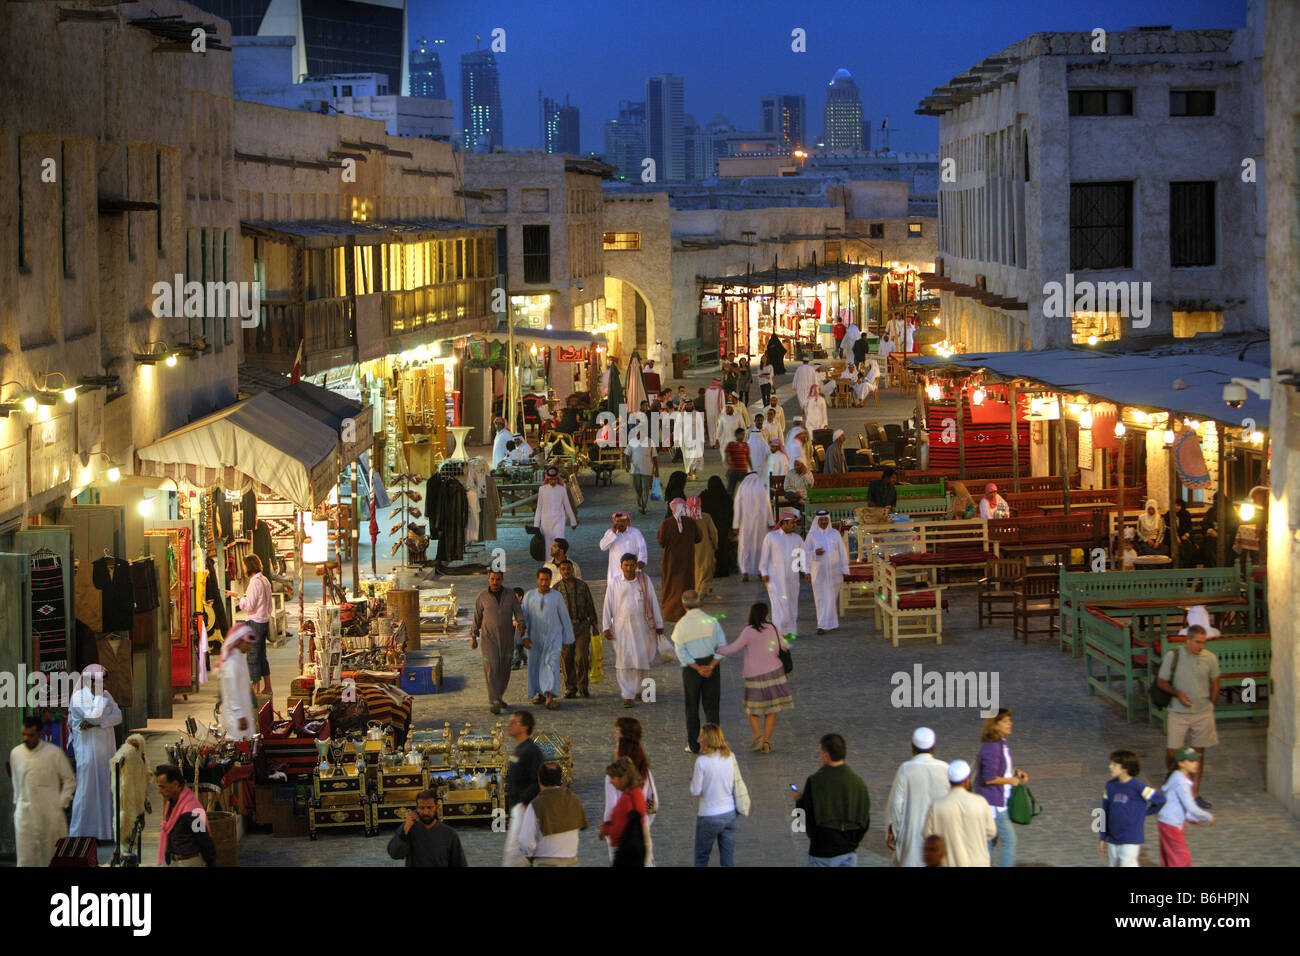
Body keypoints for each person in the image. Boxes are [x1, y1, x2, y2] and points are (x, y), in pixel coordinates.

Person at [715, 602, 794, 753]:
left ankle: (757, 738)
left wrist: (716, 649)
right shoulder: (773, 628)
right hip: (775, 673)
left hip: (755, 676)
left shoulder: (748, 631)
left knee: (752, 710)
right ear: (765, 614)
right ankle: (766, 742)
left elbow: (733, 648)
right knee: (772, 709)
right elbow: (785, 645)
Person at [1156, 624, 1219, 808]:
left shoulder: (1210, 658)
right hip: (1178, 711)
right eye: (1197, 642)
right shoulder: (1173, 657)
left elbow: (1215, 683)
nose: (1201, 646)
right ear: (1188, 640)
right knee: (1172, 751)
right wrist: (1178, 694)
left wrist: (1211, 705)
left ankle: (1194, 793)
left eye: (1203, 642)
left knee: (1198, 753)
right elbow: (1161, 681)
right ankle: (1175, 784)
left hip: (1202, 712)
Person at [793, 733, 872, 867]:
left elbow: (802, 821)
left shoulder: (815, 781)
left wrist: (799, 800)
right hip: (849, 851)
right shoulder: (858, 782)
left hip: (822, 850)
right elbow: (865, 819)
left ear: (826, 755)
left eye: (820, 753)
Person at [11, 715, 76, 866]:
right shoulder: (16, 753)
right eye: (24, 734)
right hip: (25, 816)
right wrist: (18, 803)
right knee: (25, 859)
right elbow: (16, 781)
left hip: (49, 815)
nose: (26, 738)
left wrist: (60, 804)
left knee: (48, 858)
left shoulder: (53, 753)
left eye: (31, 735)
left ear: (39, 733)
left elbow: (69, 780)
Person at [602, 553, 665, 707]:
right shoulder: (615, 583)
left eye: (632, 565)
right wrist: (605, 626)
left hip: (642, 628)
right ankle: (627, 695)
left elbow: (653, 602)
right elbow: (607, 605)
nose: (629, 568)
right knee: (624, 662)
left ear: (636, 565)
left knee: (642, 660)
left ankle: (640, 690)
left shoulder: (644, 580)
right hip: (621, 629)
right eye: (626, 565)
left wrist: (659, 623)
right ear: (621, 566)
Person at [67, 665, 121, 842]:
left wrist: (99, 722)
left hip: (106, 753)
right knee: (86, 793)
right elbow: (94, 716)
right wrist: (101, 719)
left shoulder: (106, 696)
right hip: (87, 755)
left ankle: (105, 834)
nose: (104, 684)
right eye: (101, 681)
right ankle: (81, 834)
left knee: (106, 791)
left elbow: (118, 716)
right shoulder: (78, 697)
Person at [886, 727, 951, 867]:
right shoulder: (945, 768)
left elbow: (897, 805)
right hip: (938, 837)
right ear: (933, 748)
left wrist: (894, 831)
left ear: (912, 747)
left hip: (911, 838)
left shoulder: (906, 768)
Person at [673, 591, 726, 755]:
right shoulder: (712, 622)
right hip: (711, 666)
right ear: (699, 603)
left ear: (683, 605)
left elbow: (681, 652)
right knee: (712, 707)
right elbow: (722, 648)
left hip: (691, 670)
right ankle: (714, 744)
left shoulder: (681, 625)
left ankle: (693, 743)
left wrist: (697, 668)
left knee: (692, 707)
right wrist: (710, 666)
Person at [975, 707, 1028, 867]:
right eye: (1005, 721)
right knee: (1008, 840)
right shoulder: (992, 747)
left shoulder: (999, 743)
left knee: (990, 840)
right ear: (995, 725)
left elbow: (1000, 766)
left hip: (996, 800)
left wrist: (1015, 771)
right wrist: (1010, 781)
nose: (1010, 724)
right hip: (993, 802)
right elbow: (989, 778)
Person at [603, 720, 659, 865]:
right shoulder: (645, 771)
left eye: (617, 748)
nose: (614, 750)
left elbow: (611, 810)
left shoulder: (612, 779)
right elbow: (653, 802)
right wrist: (645, 821)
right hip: (642, 830)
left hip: (622, 836)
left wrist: (607, 829)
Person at [1098, 749, 1166, 867]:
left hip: (1131, 837)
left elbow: (1160, 800)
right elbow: (1104, 811)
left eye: (1114, 764)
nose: (1110, 767)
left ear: (1125, 768)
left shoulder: (1138, 787)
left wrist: (1143, 813)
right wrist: (1102, 837)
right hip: (1113, 837)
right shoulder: (1110, 786)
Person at [923, 759, 996, 867]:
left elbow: (927, 834)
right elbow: (991, 831)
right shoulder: (980, 802)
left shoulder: (937, 806)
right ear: (967, 780)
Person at [472, 570, 526, 714]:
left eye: (497, 579)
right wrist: (473, 636)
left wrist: (521, 624)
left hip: (507, 637)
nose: (495, 582)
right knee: (492, 667)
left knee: (504, 668)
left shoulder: (510, 595)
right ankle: (494, 700)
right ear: (488, 579)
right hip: (488, 638)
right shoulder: (482, 596)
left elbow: (518, 612)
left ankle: (499, 696)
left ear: (502, 580)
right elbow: (477, 617)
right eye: (492, 579)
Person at [522, 567, 576, 710]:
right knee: (536, 665)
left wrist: (567, 640)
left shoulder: (556, 596)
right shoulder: (529, 596)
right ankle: (539, 693)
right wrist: (524, 637)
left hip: (554, 639)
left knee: (552, 665)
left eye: (547, 580)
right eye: (542, 579)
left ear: (550, 580)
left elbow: (564, 618)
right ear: (537, 580)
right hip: (535, 639)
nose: (544, 583)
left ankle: (550, 696)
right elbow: (524, 620)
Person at [690, 724, 743, 867]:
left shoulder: (702, 762)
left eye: (701, 736)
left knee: (701, 858)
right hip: (730, 814)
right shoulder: (730, 757)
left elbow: (695, 790)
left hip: (709, 815)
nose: (699, 739)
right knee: (728, 859)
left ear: (706, 740)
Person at [517, 763, 588, 866]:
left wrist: (532, 859)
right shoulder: (574, 799)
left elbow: (525, 842)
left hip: (546, 862)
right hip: (572, 861)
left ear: (539, 780)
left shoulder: (536, 805)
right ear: (560, 779)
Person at [1157, 748, 1215, 867]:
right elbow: (1191, 807)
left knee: (1169, 856)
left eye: (1196, 760)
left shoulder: (1177, 776)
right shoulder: (1181, 781)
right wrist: (1208, 817)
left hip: (1169, 821)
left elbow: (1179, 803)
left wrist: (1190, 817)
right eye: (1191, 761)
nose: (1196, 763)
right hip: (1171, 823)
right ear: (1181, 763)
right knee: (1181, 858)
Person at [225, 553, 272, 697]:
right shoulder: (265, 580)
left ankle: (255, 690)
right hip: (264, 621)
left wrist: (240, 600)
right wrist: (237, 595)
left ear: (249, 567)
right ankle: (267, 686)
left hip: (255, 622)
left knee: (252, 657)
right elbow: (267, 603)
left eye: (245, 565)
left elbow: (249, 605)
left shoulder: (254, 583)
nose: (244, 568)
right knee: (261, 655)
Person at [503, 710, 544, 866]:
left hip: (526, 809)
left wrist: (525, 803)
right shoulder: (520, 749)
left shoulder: (531, 751)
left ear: (525, 727)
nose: (509, 725)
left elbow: (537, 780)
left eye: (514, 722)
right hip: (518, 808)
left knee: (516, 855)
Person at [387, 790, 468, 867]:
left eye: (429, 808)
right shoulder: (409, 829)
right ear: (417, 808)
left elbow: (459, 863)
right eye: (421, 808)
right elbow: (395, 854)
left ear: (437, 807)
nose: (425, 812)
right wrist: (405, 830)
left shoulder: (450, 834)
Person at [155, 763, 213, 867]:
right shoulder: (171, 805)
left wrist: (211, 862)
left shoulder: (192, 809)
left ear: (176, 785)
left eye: (163, 787)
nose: (160, 791)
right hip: (175, 861)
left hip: (189, 862)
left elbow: (204, 839)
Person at [555, 560, 597, 700]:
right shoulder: (556, 589)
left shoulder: (582, 586)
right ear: (560, 571)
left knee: (581, 656)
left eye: (568, 569)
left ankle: (583, 686)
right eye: (563, 569)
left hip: (582, 626)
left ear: (572, 570)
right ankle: (570, 687)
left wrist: (594, 625)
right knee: (566, 659)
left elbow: (590, 605)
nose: (566, 572)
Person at [760, 509, 805, 640]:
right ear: (783, 523)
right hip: (774, 578)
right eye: (792, 523)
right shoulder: (771, 537)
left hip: (792, 577)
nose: (794, 525)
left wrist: (806, 571)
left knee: (791, 603)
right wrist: (764, 572)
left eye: (795, 523)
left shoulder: (797, 539)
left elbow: (803, 557)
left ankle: (790, 630)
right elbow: (764, 557)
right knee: (778, 604)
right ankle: (778, 631)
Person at [805, 510, 849, 634]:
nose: (824, 522)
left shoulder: (835, 534)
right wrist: (808, 569)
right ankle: (821, 625)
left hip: (834, 571)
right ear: (817, 521)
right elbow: (804, 553)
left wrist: (845, 569)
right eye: (821, 519)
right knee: (820, 597)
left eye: (825, 519)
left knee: (831, 597)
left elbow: (842, 551)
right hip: (818, 572)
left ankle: (831, 623)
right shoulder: (812, 535)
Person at [658, 498, 701, 622]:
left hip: (670, 562)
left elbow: (661, 541)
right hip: (687, 561)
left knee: (671, 587)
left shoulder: (666, 523)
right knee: (686, 585)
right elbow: (698, 537)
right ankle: (687, 611)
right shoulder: (691, 522)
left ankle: (670, 613)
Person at [600, 756, 649, 866]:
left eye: (613, 778)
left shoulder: (626, 800)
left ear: (623, 778)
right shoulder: (637, 793)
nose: (611, 782)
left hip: (627, 853)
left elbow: (618, 830)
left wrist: (605, 828)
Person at [217, 623, 257, 740]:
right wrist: (239, 716)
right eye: (247, 643)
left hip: (242, 713)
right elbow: (232, 691)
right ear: (239, 642)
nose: (249, 647)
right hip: (234, 718)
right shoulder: (231, 663)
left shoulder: (238, 658)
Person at [732, 472, 773, 582]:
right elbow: (768, 504)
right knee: (760, 546)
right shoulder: (761, 487)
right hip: (760, 523)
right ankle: (760, 570)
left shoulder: (742, 487)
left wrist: (736, 524)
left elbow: (737, 505)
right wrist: (771, 521)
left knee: (745, 546)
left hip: (746, 523)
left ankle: (745, 571)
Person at [533, 467, 578, 556]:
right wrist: (536, 525)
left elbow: (568, 506)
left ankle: (561, 560)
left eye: (554, 479)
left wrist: (573, 521)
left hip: (559, 520)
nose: (552, 482)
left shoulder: (562, 489)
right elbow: (539, 508)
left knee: (559, 542)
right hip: (546, 521)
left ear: (557, 479)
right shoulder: (542, 489)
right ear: (547, 479)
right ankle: (550, 564)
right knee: (549, 544)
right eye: (550, 479)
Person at [700, 476, 736, 579]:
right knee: (723, 548)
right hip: (723, 530)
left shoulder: (704, 496)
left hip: (708, 530)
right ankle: (723, 569)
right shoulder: (725, 497)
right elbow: (731, 514)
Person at [599, 510, 648, 583]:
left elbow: (642, 548)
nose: (620, 524)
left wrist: (641, 560)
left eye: (622, 521)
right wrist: (613, 534)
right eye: (617, 521)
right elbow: (602, 547)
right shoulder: (610, 532)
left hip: (632, 569)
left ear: (627, 522)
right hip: (615, 571)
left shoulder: (635, 532)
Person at [686, 496, 719, 598]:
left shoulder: (685, 519)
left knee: (695, 572)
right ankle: (701, 591)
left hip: (691, 551)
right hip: (705, 549)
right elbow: (714, 533)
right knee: (705, 573)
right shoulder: (706, 517)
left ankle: (699, 590)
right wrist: (715, 546)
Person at [624, 425, 659, 515]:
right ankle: (640, 503)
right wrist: (627, 465)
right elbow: (627, 454)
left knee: (645, 488)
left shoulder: (650, 442)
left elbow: (655, 457)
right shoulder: (632, 442)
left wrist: (656, 470)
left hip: (647, 469)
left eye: (641, 432)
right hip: (635, 470)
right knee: (637, 488)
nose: (639, 433)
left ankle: (644, 505)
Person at [724, 427, 752, 495]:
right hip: (734, 471)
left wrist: (752, 468)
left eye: (744, 434)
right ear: (736, 435)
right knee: (730, 490)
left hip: (744, 471)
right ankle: (729, 504)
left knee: (746, 489)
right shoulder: (731, 444)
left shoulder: (746, 445)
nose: (743, 436)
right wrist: (728, 467)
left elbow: (748, 457)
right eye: (741, 434)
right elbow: (727, 457)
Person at [1170, 498, 1195, 565]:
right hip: (1171, 537)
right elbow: (1168, 528)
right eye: (1174, 505)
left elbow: (1189, 527)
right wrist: (1176, 536)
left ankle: (1186, 566)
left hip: (1184, 537)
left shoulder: (1186, 514)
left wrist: (1186, 535)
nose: (1176, 507)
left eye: (1178, 505)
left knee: (1188, 545)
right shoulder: (1169, 514)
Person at [702, 378, 726, 448]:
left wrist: (706, 412)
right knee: (718, 427)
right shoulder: (720, 391)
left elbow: (706, 404)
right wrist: (723, 413)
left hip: (709, 412)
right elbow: (723, 403)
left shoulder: (707, 391)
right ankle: (717, 442)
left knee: (711, 428)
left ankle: (712, 443)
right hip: (718, 412)